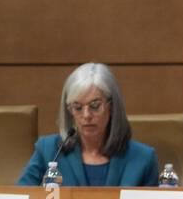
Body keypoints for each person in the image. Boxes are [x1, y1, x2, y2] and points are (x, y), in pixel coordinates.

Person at [17, 63, 159, 186]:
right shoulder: (49, 151)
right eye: (78, 107)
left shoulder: (143, 158)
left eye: (95, 106)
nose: (86, 115)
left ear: (112, 107)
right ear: (69, 111)